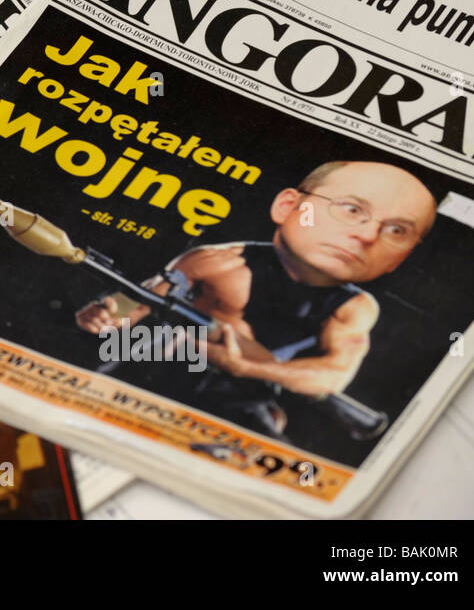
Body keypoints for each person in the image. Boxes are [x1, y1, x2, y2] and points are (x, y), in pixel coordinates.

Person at [75, 160, 437, 437]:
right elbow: (133, 305)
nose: (368, 235)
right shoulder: (212, 261)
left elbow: (332, 377)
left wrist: (248, 368)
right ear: (288, 206)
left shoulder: (352, 308)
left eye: (396, 230)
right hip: (148, 375)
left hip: (240, 399)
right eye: (352, 210)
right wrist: (104, 314)